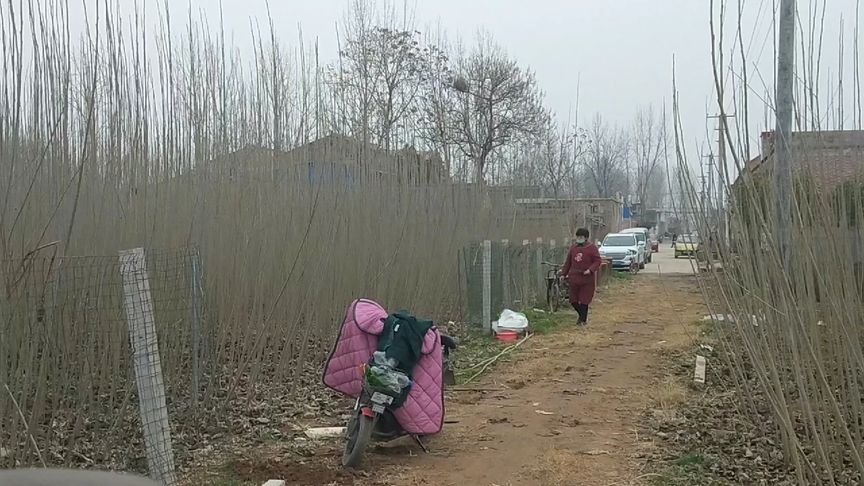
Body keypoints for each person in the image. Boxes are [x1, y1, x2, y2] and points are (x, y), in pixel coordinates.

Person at [560, 228, 602, 325]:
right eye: (578, 237)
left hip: (587, 279)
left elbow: (597, 261)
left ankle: (582, 320)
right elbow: (568, 262)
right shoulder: (573, 248)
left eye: (581, 237)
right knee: (573, 300)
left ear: (586, 238)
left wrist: (590, 270)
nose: (579, 238)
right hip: (574, 278)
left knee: (584, 300)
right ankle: (581, 316)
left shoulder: (592, 248)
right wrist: (563, 274)